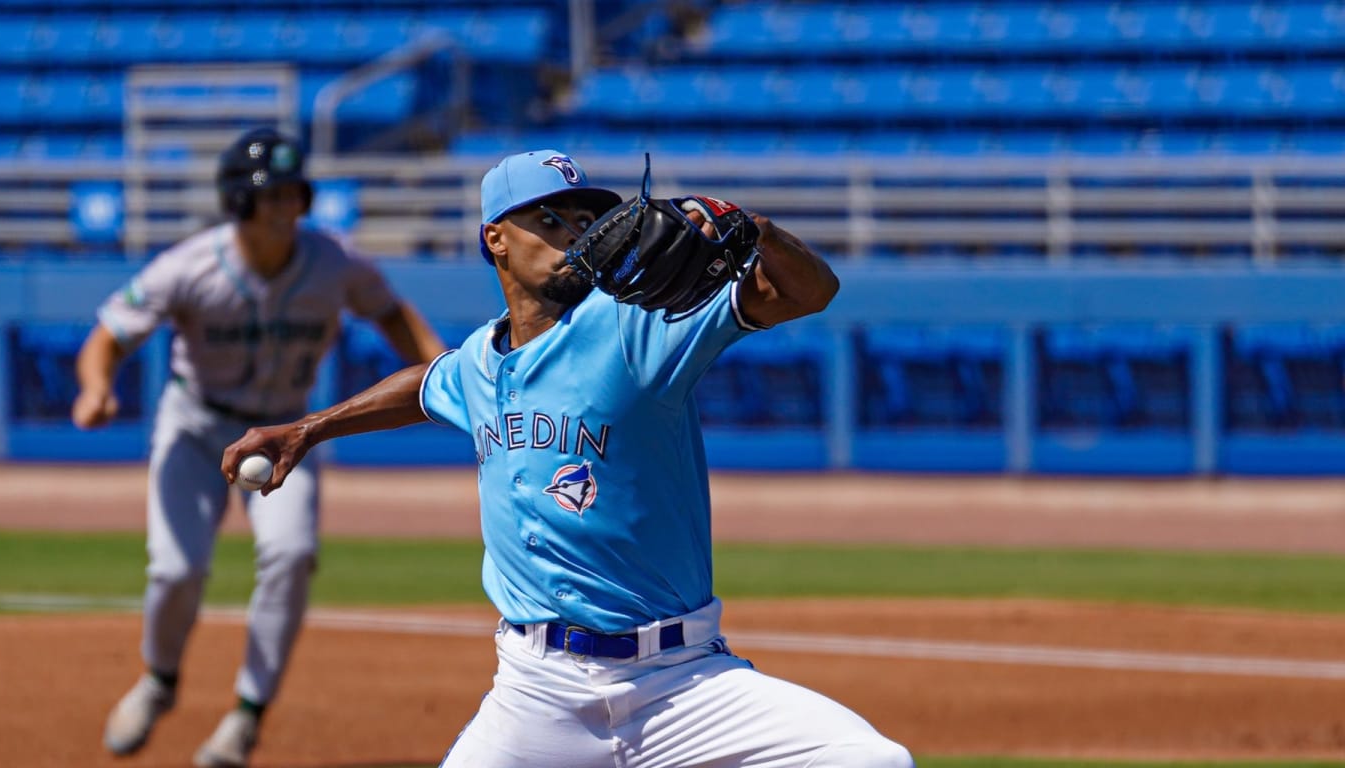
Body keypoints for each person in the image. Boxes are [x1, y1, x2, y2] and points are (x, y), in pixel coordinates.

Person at [220, 150, 913, 767]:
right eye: (548, 218)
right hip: (535, 693)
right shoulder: (480, 364)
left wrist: (754, 229)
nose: (574, 230)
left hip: (679, 684)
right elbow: (426, 385)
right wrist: (308, 429)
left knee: (873, 760)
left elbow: (809, 292)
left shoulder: (641, 326)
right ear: (495, 238)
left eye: (585, 217)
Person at [73, 127, 445, 768]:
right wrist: (95, 389)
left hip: (283, 431)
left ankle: (246, 716)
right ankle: (160, 681)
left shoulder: (334, 262)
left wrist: (443, 369)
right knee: (177, 569)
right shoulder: (190, 265)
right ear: (238, 201)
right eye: (268, 195)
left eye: (292, 194)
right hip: (196, 425)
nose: (283, 208)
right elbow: (108, 333)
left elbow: (391, 312)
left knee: (293, 555)